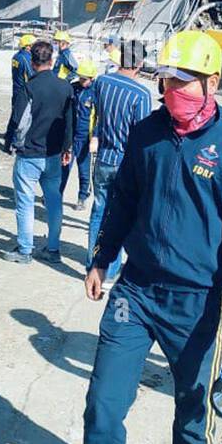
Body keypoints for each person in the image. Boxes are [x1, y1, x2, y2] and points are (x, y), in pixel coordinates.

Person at [74, 31, 222, 444]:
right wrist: (102, 257)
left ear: (212, 82)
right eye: (168, 81)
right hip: (135, 293)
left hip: (196, 303)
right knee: (103, 405)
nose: (173, 90)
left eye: (184, 82)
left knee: (192, 404)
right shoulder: (146, 134)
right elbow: (122, 202)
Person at [4, 40, 75, 264]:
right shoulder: (65, 87)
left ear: (32, 63)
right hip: (53, 153)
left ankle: (25, 250)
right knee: (54, 200)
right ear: (52, 60)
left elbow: (18, 120)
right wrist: (68, 147)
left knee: (25, 202)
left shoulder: (29, 87)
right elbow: (70, 121)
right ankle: (53, 249)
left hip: (30, 153)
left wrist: (9, 142)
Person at [86, 38, 152, 281]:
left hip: (103, 157)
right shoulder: (141, 94)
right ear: (140, 63)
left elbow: (99, 114)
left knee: (98, 211)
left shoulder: (103, 82)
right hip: (125, 162)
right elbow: (142, 136)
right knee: (122, 216)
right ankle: (111, 269)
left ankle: (92, 264)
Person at [61, 58, 99, 209]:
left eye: (84, 79)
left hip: (85, 139)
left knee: (84, 171)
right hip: (71, 136)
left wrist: (95, 137)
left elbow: (99, 118)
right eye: (80, 78)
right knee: (64, 167)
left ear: (91, 78)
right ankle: (57, 194)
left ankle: (82, 197)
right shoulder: (73, 87)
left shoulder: (96, 92)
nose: (81, 81)